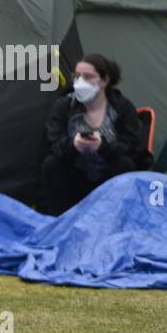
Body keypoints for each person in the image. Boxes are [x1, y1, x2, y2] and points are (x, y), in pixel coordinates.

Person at [41, 54, 152, 215]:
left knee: (124, 164)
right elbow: (51, 143)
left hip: (107, 177)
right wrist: (73, 145)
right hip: (73, 176)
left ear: (104, 80)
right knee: (51, 164)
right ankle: (58, 220)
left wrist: (103, 147)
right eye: (77, 76)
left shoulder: (122, 107)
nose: (80, 83)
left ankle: (116, 217)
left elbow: (133, 149)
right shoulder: (64, 105)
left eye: (88, 77)